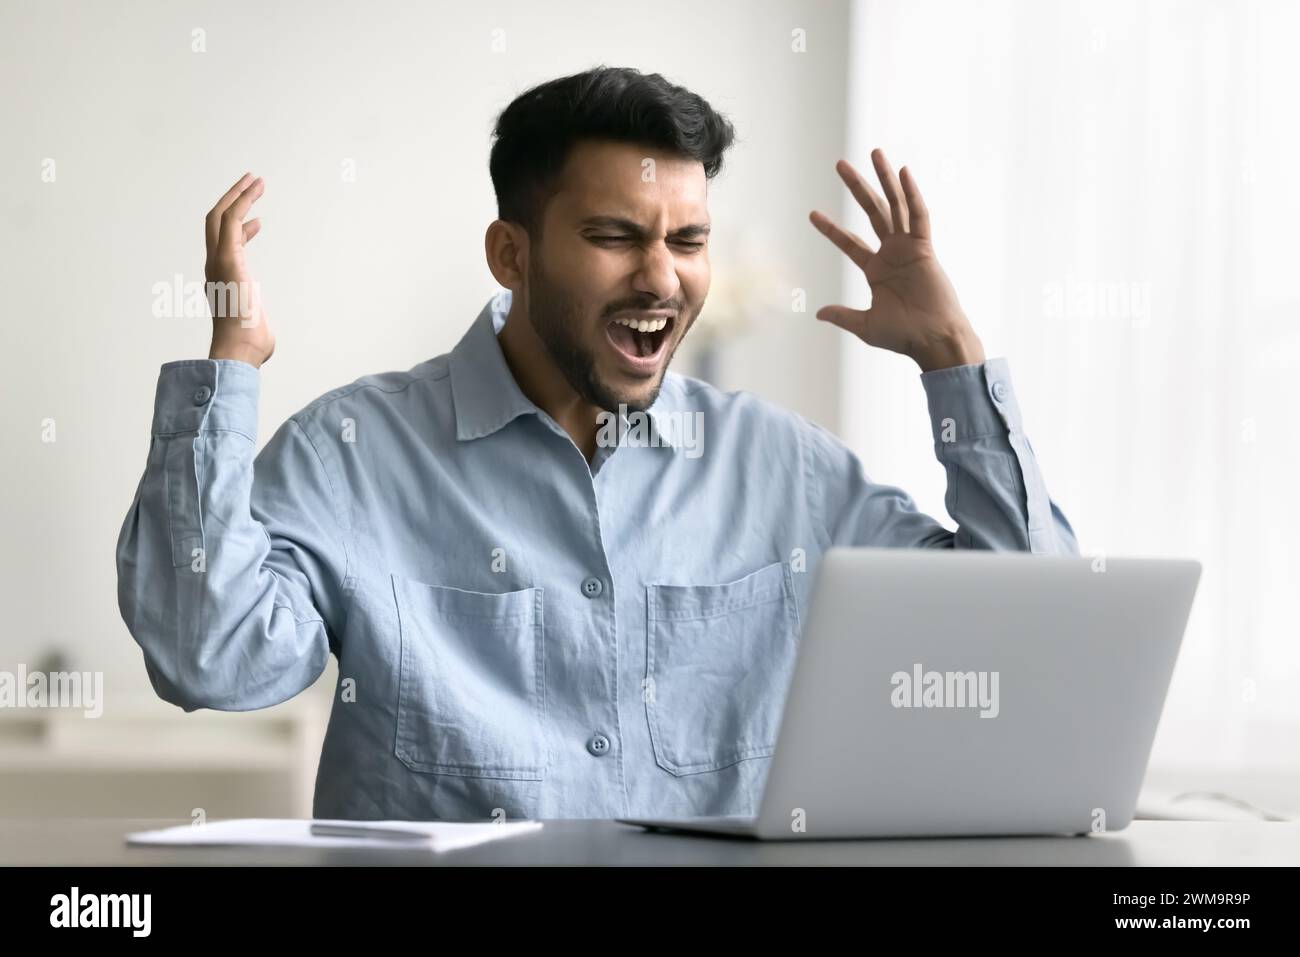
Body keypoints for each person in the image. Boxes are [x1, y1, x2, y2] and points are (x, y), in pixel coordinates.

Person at [116, 66, 1078, 821]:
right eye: (616, 236)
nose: (661, 278)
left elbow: (1029, 642)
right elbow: (211, 659)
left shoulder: (784, 471)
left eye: (689, 241)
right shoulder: (354, 452)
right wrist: (231, 365)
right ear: (512, 254)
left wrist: (953, 360)